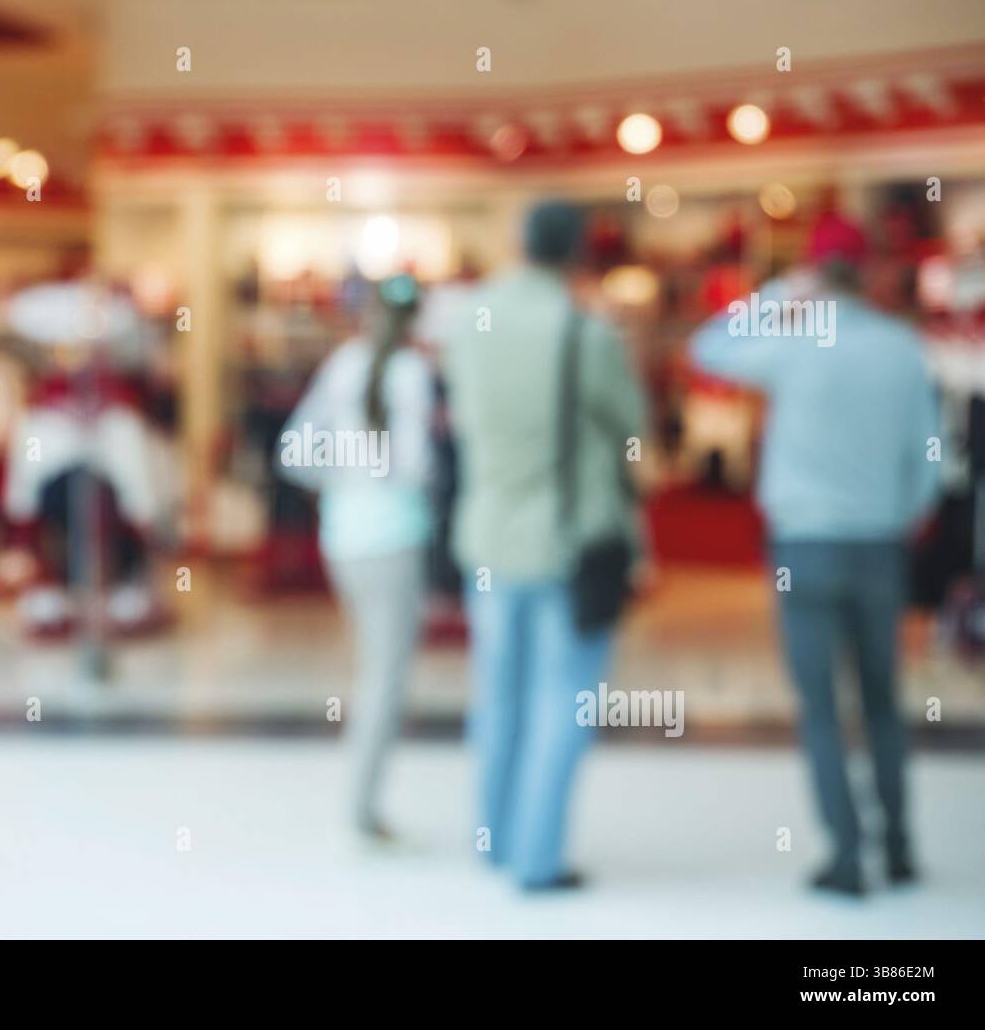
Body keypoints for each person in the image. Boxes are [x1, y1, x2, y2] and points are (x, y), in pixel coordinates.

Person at [690, 212, 941, 896]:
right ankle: (898, 844)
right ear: (865, 274)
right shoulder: (900, 347)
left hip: (805, 546)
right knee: (882, 699)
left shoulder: (793, 345)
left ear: (814, 274)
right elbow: (929, 457)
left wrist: (777, 292)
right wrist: (902, 517)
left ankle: (846, 854)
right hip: (879, 545)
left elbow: (708, 346)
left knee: (823, 706)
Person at [444, 202, 646, 890]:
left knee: (497, 694)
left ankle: (494, 837)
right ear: (579, 254)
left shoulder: (467, 320)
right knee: (565, 697)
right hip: (568, 537)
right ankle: (536, 857)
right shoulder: (584, 333)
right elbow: (633, 423)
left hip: (489, 534)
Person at [276, 274, 434, 839]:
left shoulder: (345, 363)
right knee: (385, 678)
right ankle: (362, 813)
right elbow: (416, 467)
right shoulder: (411, 373)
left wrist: (343, 480)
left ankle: (364, 807)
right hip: (393, 539)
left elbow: (293, 452)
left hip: (344, 536)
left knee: (373, 670)